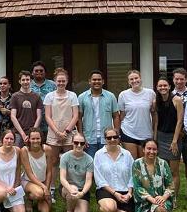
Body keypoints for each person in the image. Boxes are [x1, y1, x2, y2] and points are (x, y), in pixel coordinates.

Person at [44, 68, 80, 198]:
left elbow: (75, 116)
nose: (61, 83)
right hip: (54, 133)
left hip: (69, 133)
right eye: (59, 81)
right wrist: (57, 132)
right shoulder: (49, 96)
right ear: (55, 81)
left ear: (67, 81)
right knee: (53, 162)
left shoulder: (72, 96)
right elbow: (47, 116)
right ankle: (52, 188)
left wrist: (66, 131)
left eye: (63, 81)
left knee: (70, 161)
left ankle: (69, 188)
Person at [93, 127, 135, 212]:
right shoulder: (99, 154)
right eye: (109, 138)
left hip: (125, 192)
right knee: (109, 208)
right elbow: (99, 179)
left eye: (115, 137)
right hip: (106, 190)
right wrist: (115, 194)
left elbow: (133, 175)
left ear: (119, 138)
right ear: (105, 139)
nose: (112, 140)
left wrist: (129, 194)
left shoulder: (127, 154)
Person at [132, 138, 173, 212]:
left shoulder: (163, 163)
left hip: (161, 200)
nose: (151, 151)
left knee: (161, 211)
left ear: (157, 150)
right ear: (143, 149)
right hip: (145, 201)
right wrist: (152, 199)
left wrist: (163, 197)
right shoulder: (137, 164)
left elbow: (171, 185)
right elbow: (137, 187)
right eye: (148, 148)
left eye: (154, 149)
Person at [153, 77, 185, 196]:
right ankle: (163, 194)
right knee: (161, 170)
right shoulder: (156, 101)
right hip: (161, 137)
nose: (163, 88)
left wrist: (175, 141)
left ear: (170, 87)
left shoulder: (177, 100)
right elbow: (155, 122)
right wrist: (155, 140)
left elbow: (180, 121)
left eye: (165, 85)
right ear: (157, 88)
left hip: (173, 137)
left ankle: (173, 197)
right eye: (160, 86)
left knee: (173, 170)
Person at [78, 70, 120, 157]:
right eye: (94, 80)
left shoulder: (110, 96)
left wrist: (116, 135)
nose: (96, 81)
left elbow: (116, 116)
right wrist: (81, 135)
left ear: (103, 81)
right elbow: (78, 118)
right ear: (89, 81)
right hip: (89, 139)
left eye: (99, 79)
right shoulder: (82, 97)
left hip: (107, 139)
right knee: (91, 166)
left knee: (106, 164)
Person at [117, 69, 156, 160]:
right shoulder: (123, 95)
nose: (134, 81)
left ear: (140, 78)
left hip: (146, 133)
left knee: (145, 163)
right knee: (132, 163)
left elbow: (154, 115)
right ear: (128, 82)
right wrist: (118, 133)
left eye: (136, 78)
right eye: (131, 79)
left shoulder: (150, 93)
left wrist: (154, 132)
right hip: (128, 132)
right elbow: (121, 115)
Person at [59, 133, 94, 212]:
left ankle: (76, 204)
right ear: (72, 143)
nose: (79, 145)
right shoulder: (65, 157)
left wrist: (82, 193)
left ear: (85, 144)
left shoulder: (89, 159)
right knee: (73, 190)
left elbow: (88, 181)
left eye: (82, 143)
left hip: (82, 190)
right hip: (67, 188)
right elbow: (62, 178)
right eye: (76, 142)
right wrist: (70, 189)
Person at [19, 128, 51, 212]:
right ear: (29, 139)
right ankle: (29, 198)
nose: (35, 141)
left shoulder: (47, 149)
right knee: (40, 193)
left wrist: (47, 188)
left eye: (38, 138)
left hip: (42, 182)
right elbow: (29, 174)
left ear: (41, 139)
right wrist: (44, 188)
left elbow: (49, 172)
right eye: (33, 139)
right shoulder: (24, 150)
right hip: (28, 181)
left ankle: (37, 199)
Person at [11, 70, 43, 148]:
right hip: (18, 133)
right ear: (19, 81)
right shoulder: (15, 96)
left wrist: (32, 132)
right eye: (23, 80)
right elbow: (13, 116)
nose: (25, 82)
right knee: (17, 155)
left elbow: (39, 116)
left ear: (31, 81)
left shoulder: (37, 96)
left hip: (33, 134)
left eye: (27, 80)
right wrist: (23, 134)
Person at [31, 61, 57, 137]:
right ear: (32, 73)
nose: (39, 72)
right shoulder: (28, 85)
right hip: (33, 124)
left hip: (51, 124)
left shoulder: (53, 85)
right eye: (36, 71)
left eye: (41, 70)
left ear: (45, 72)